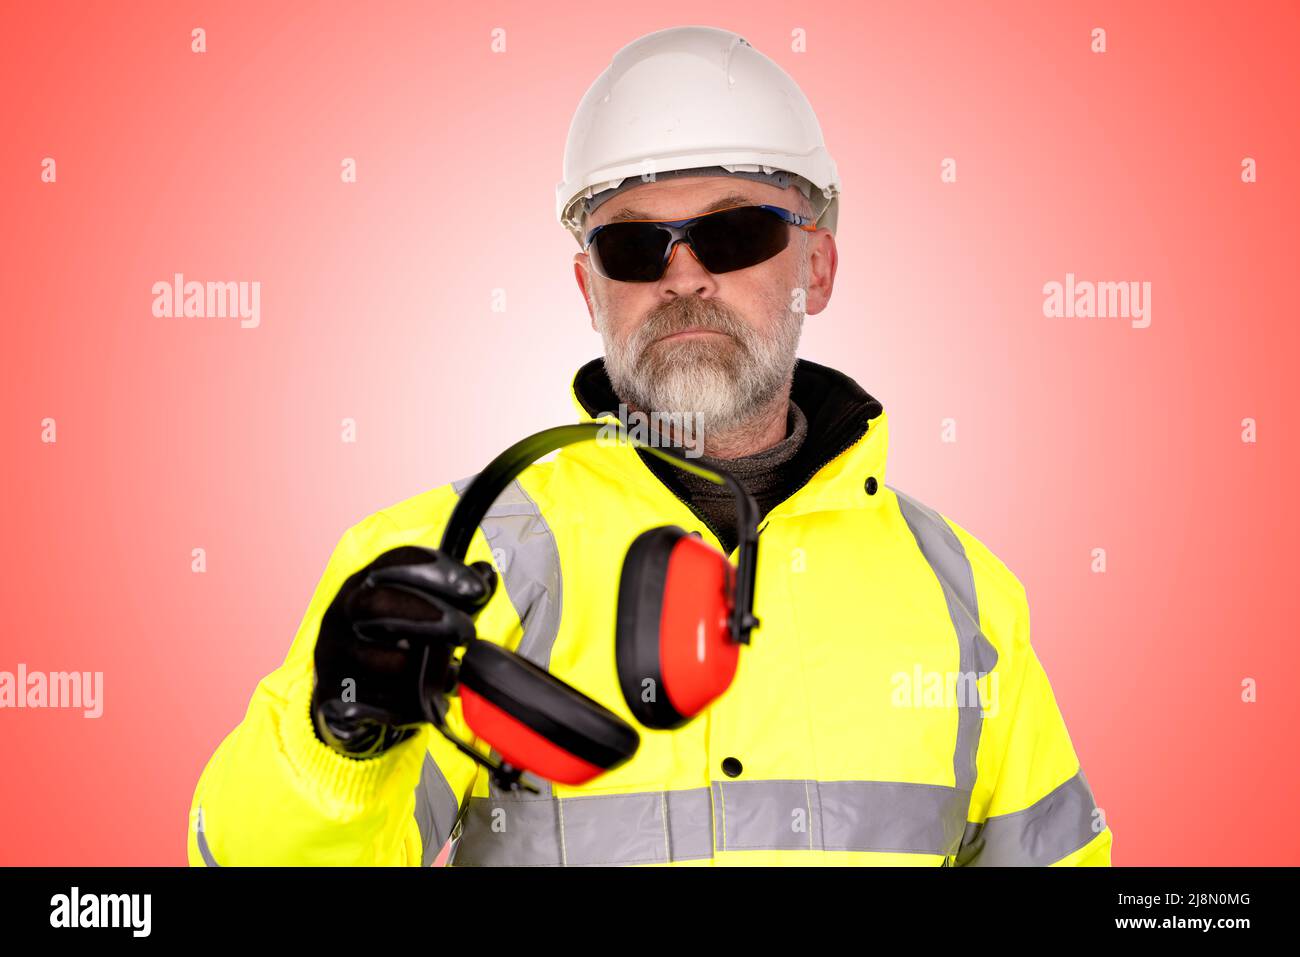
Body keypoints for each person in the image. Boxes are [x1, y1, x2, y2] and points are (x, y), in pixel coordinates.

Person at [188, 25, 1113, 866]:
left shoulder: (966, 602)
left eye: (734, 231)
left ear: (817, 268)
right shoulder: (444, 566)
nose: (684, 278)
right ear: (591, 291)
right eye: (635, 248)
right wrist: (339, 739)